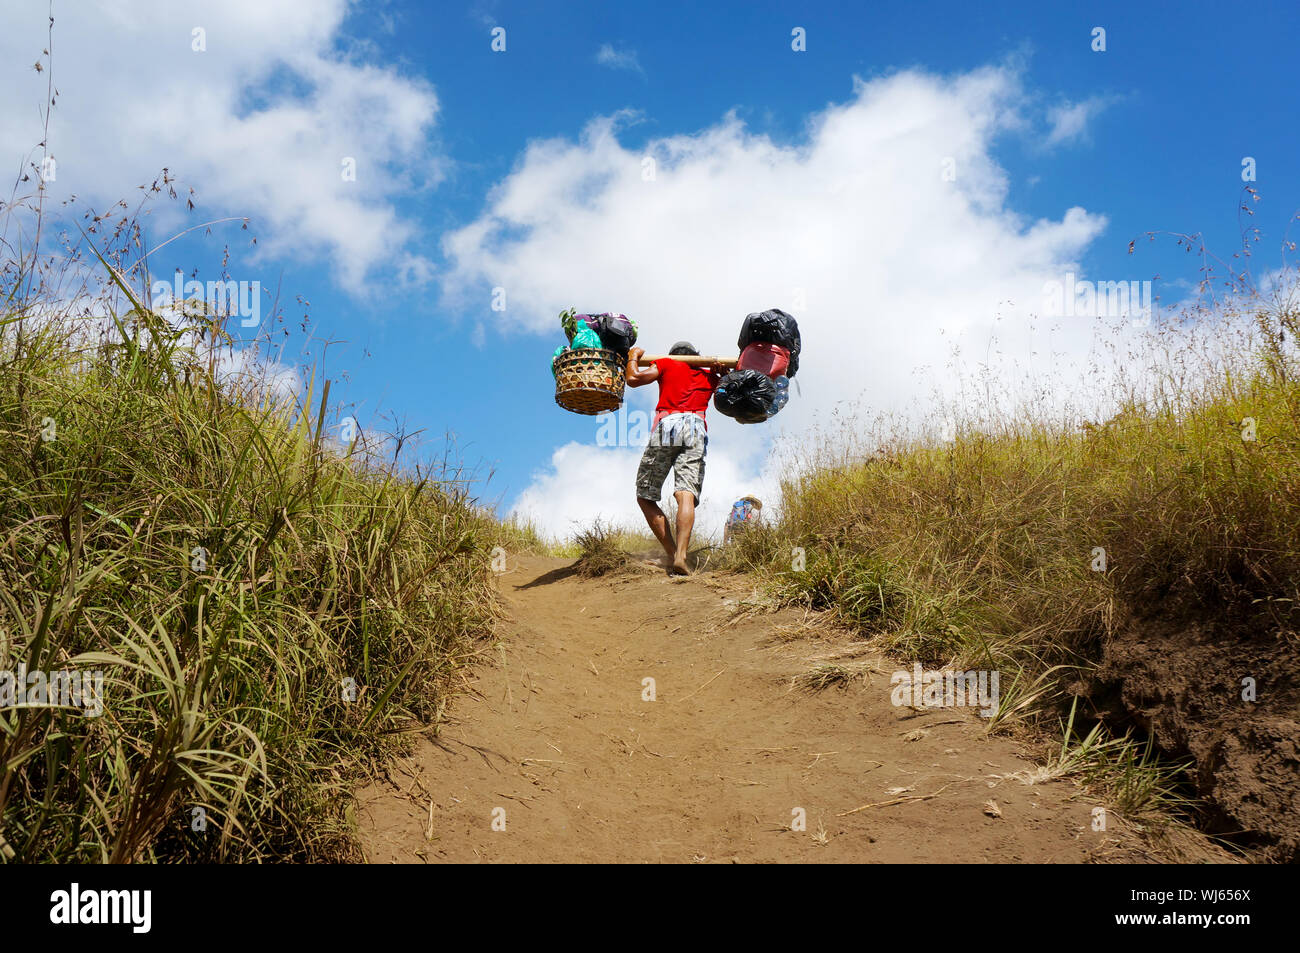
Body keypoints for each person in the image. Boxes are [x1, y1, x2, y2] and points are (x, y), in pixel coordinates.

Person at [625, 342, 723, 575]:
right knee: (686, 493)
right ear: (696, 357)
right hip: (697, 428)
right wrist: (722, 375)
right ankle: (681, 556)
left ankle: (670, 555)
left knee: (645, 496)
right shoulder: (709, 376)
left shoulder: (668, 364)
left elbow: (633, 378)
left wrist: (633, 356)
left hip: (670, 424)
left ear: (674, 356)